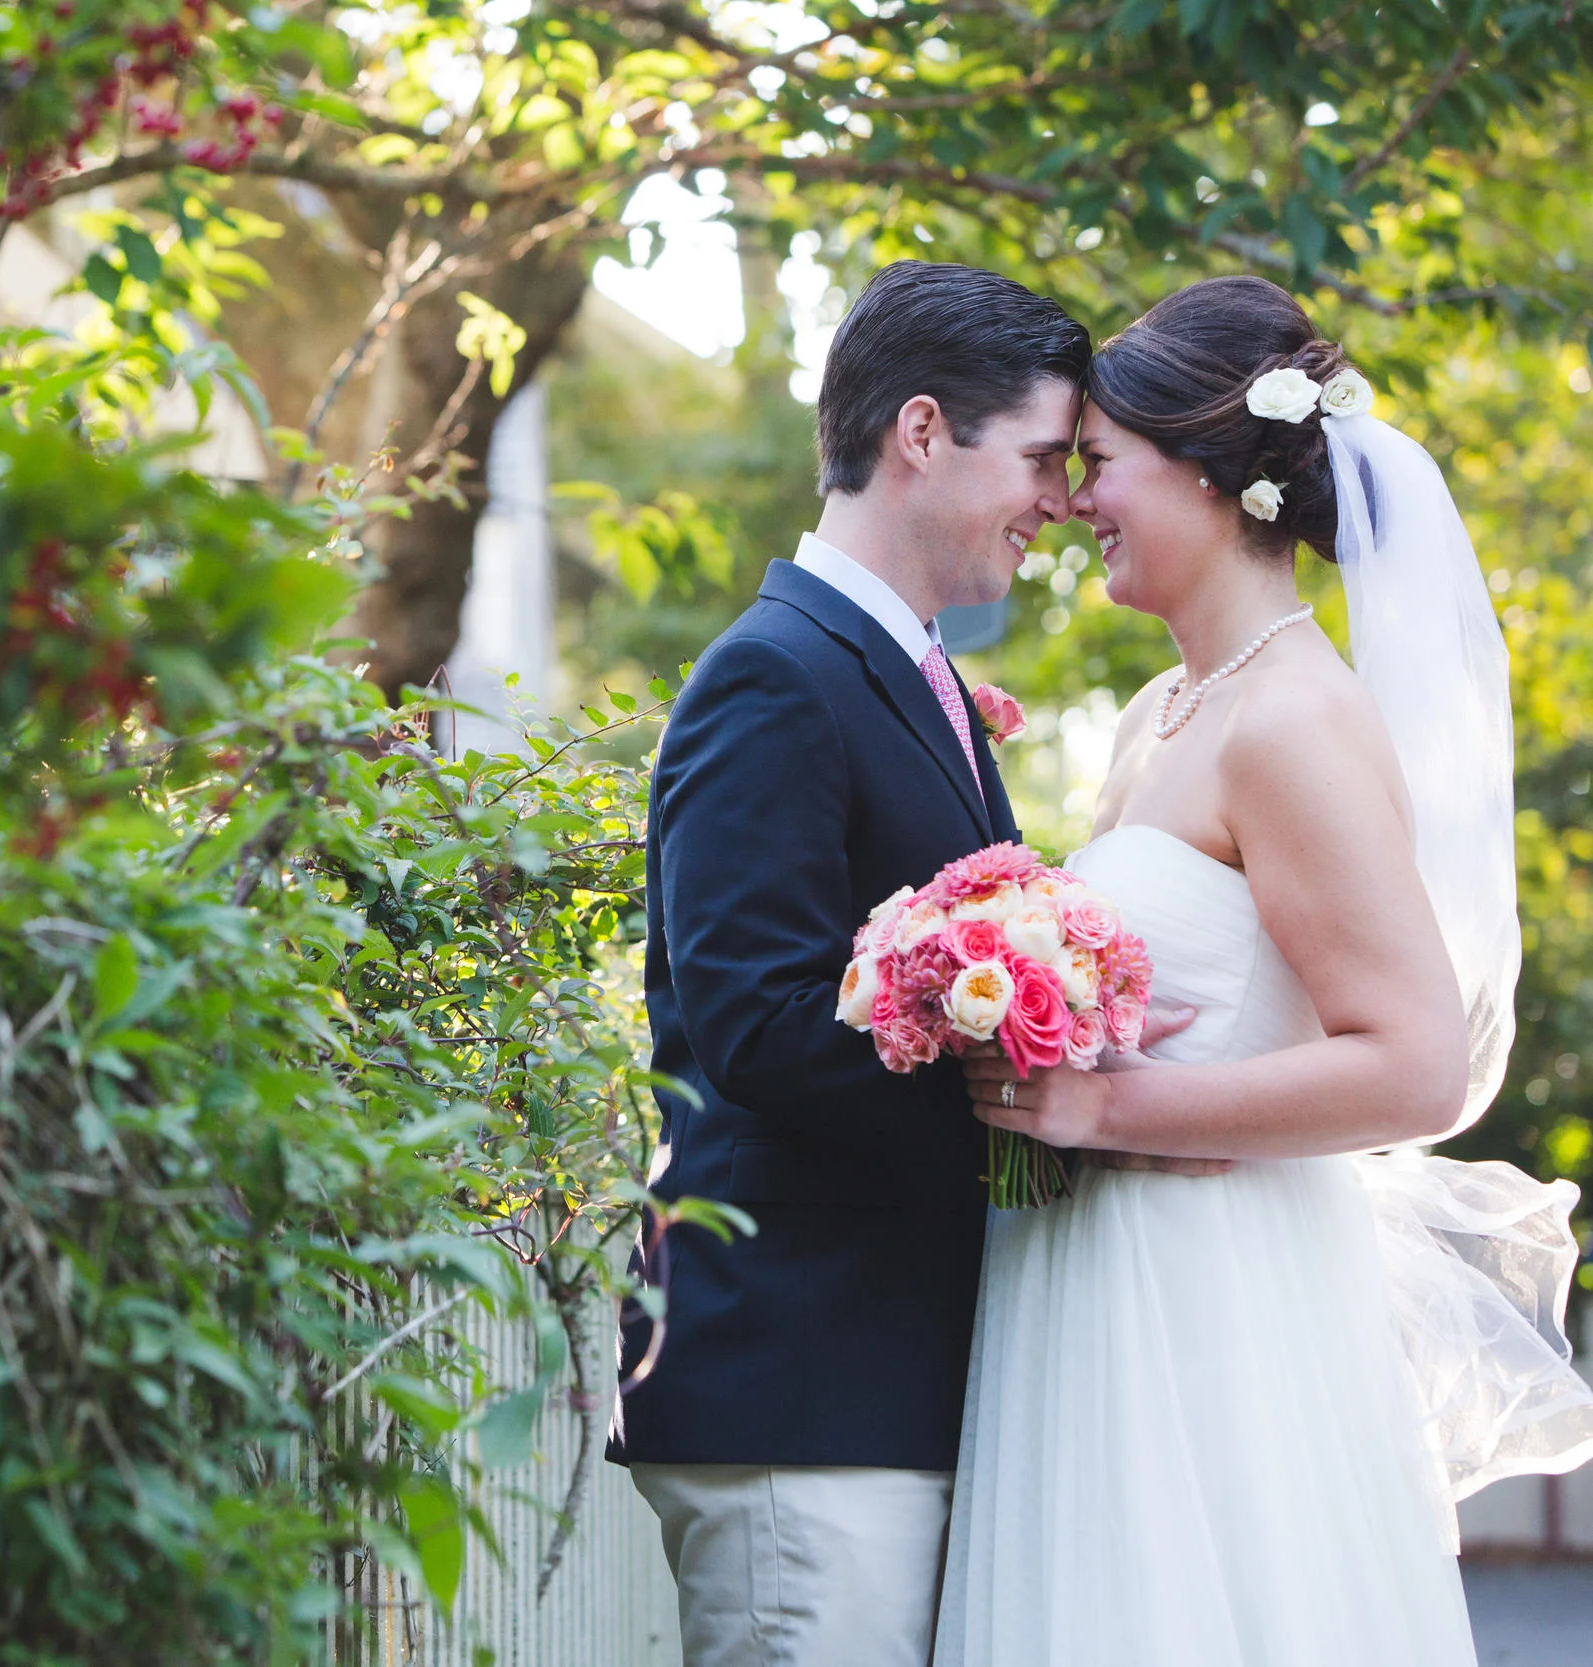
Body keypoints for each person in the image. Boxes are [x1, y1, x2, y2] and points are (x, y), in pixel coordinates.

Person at [937, 274, 1593, 1664]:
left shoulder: (1295, 719)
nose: (1072, 500)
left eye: (1100, 464)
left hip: (1217, 1298)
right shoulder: (1161, 711)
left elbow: (1414, 1060)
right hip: (1092, 1279)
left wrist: (1107, 1110)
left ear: (1213, 473)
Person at [606, 260, 1097, 1667]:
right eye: (1045, 459)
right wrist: (1033, 1081)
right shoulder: (775, 673)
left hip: (885, 1391)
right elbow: (754, 1017)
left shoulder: (912, 678)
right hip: (804, 1402)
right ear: (924, 433)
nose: (1061, 500)